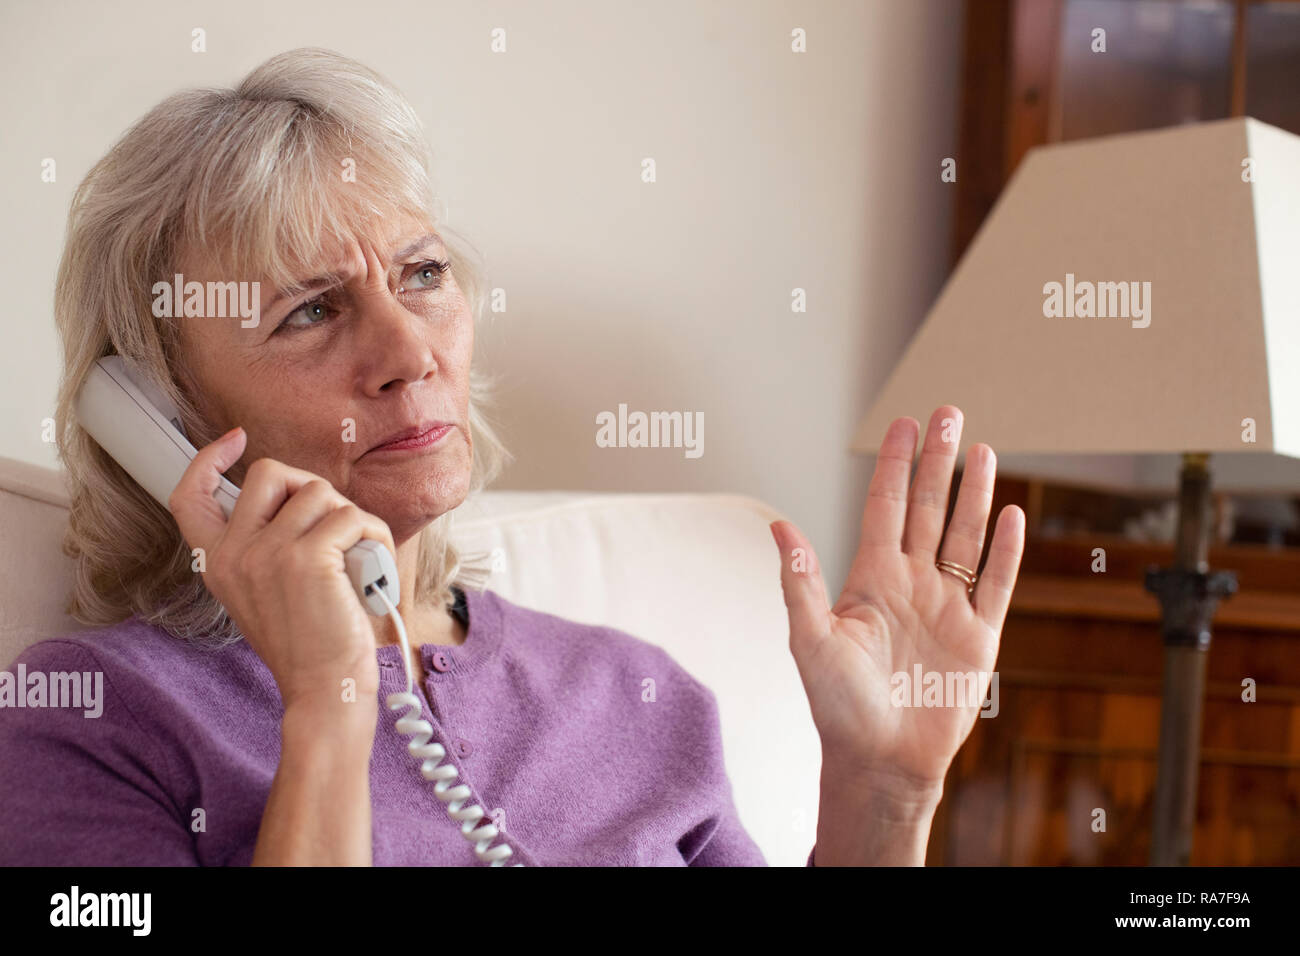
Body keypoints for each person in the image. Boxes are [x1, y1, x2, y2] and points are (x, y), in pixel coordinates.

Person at [0, 48, 1024, 866]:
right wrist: (328, 704)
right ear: (162, 410)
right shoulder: (90, 720)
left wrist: (884, 794)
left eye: (424, 274)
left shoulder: (631, 689)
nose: (409, 354)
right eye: (310, 310)